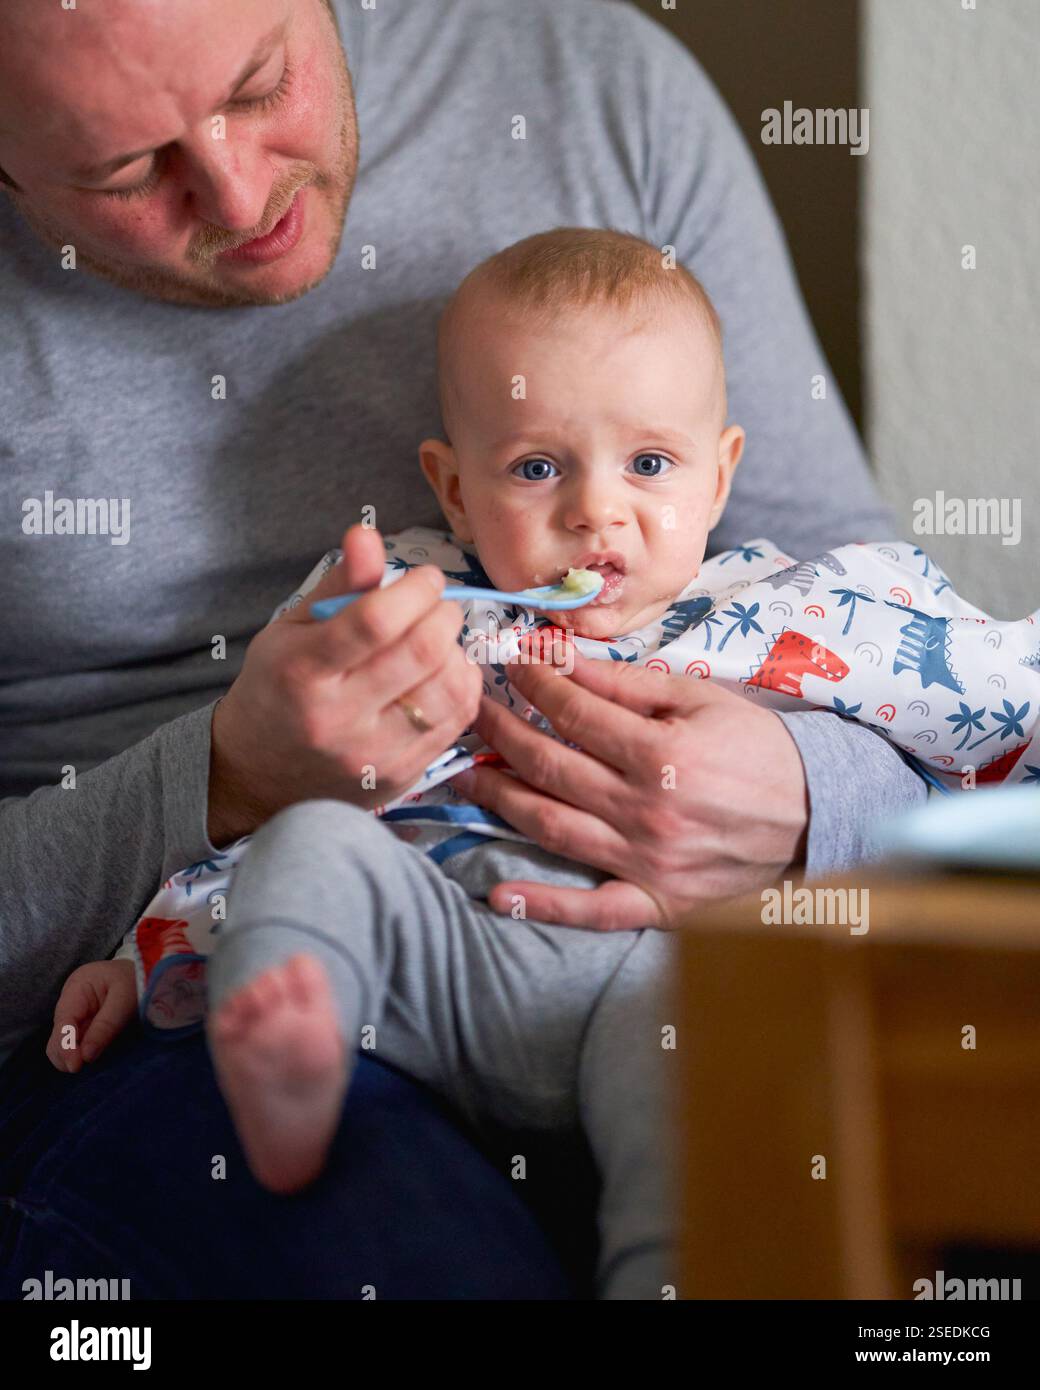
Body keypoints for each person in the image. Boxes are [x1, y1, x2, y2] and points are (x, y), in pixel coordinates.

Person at [0, 0, 927, 1297]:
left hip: (657, 961)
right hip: (307, 968)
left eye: (262, 84)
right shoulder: (399, 578)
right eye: (125, 168)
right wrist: (213, 796)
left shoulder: (594, 85)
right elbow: (275, 859)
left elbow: (915, 663)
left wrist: (808, 799)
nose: (236, 186)